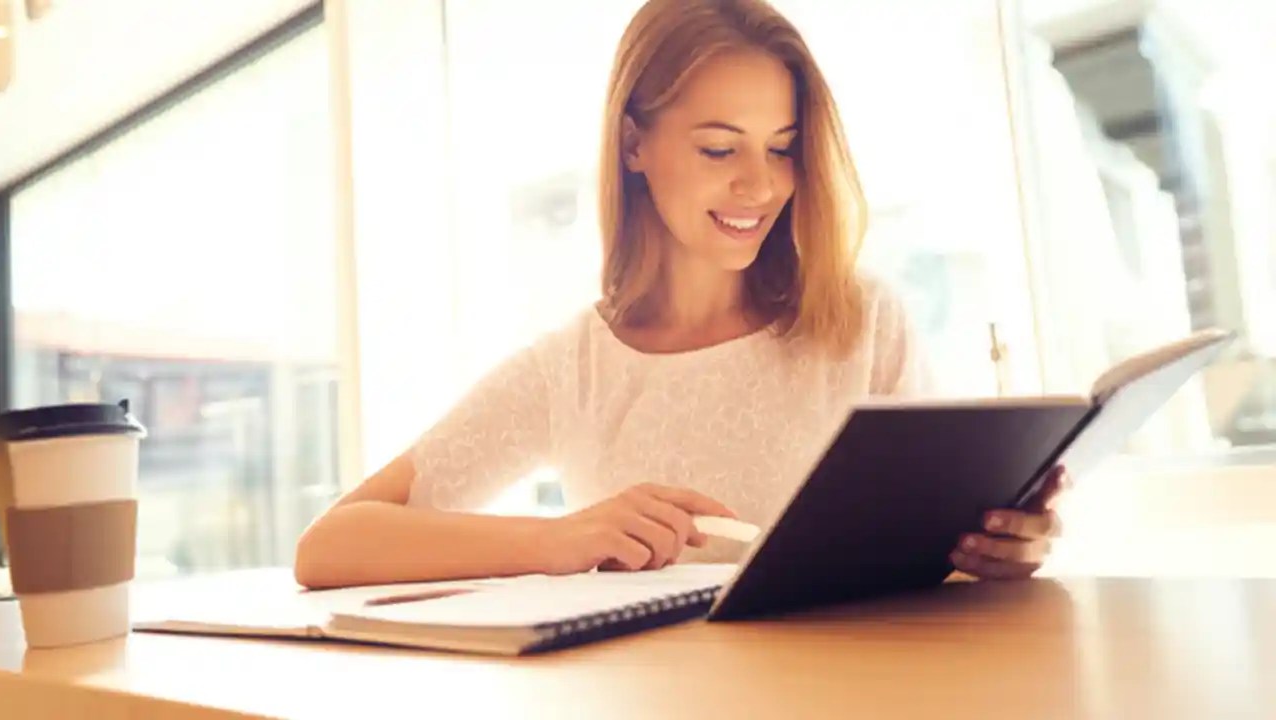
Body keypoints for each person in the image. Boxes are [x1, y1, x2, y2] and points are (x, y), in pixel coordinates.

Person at [293, 0, 1068, 590]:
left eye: (782, 148)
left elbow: (929, 557)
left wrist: (995, 551)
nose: (759, 185)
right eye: (719, 147)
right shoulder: (574, 368)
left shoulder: (859, 320)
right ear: (635, 143)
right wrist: (554, 541)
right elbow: (331, 545)